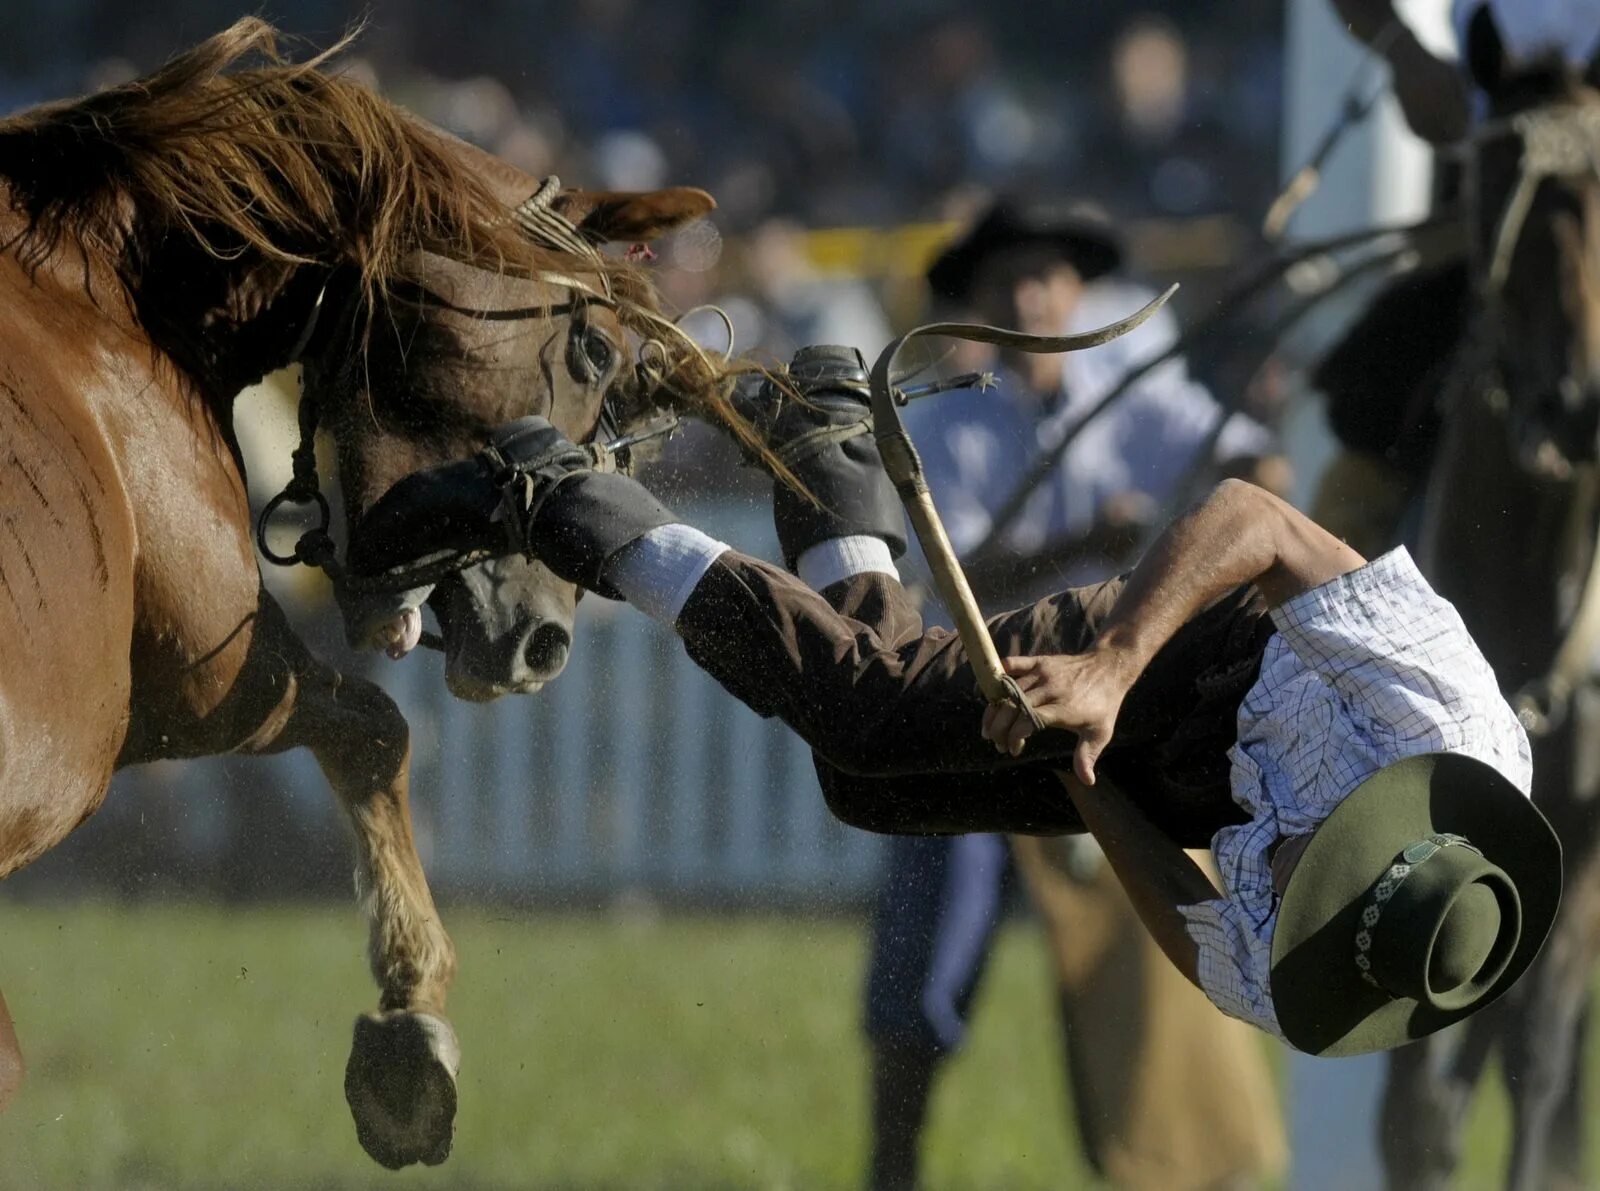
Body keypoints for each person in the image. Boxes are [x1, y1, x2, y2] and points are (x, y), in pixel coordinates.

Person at [349, 344, 1561, 1063]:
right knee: (874, 717)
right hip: (1198, 645)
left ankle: (828, 453)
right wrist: (1109, 670)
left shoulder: (1315, 976)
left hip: (1166, 777)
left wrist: (1085, 789)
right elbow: (1256, 517)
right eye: (1316, 871)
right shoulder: (1439, 717)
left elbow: (1197, 937)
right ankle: (560, 498)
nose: (1284, 886)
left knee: (864, 782)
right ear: (1387, 832)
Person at [864, 199, 1284, 1191]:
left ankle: (1171, 1167)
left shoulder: (1137, 393)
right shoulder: (949, 416)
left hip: (1111, 728)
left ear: (1076, 291)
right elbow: (952, 564)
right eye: (1009, 281)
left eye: (1047, 277)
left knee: (1153, 976)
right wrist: (1080, 546)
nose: (1030, 297)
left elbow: (1253, 463)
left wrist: (1242, 481)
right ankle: (890, 1169)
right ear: (979, 301)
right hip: (981, 720)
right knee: (925, 973)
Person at [1313, 0, 1600, 554]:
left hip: (1589, 203)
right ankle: (1326, 599)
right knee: (1375, 386)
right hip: (1489, 211)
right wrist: (1401, 49)